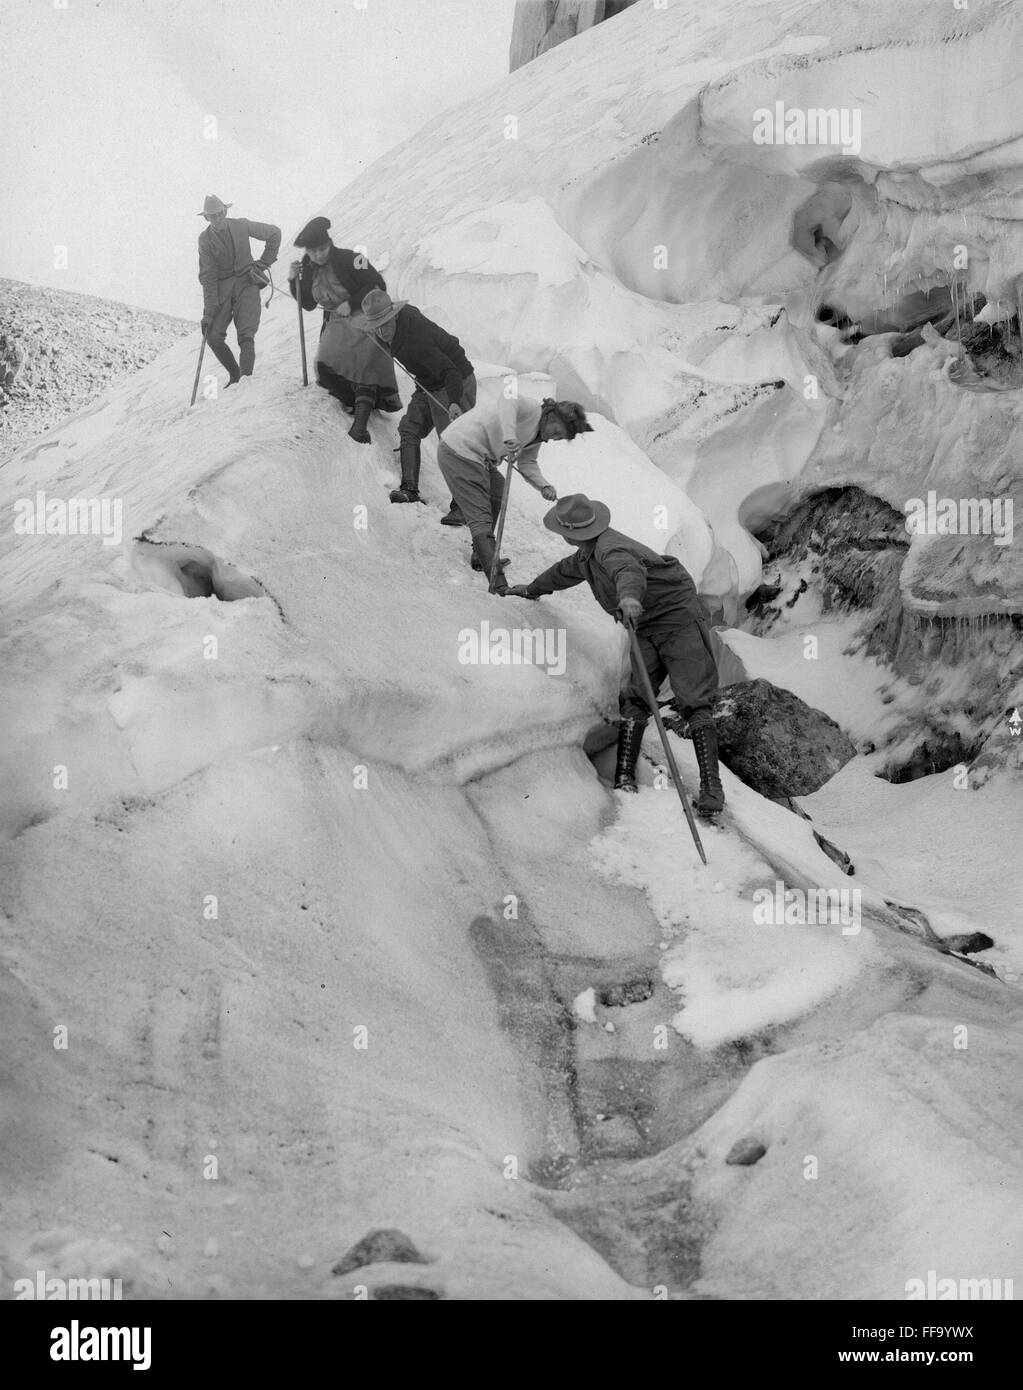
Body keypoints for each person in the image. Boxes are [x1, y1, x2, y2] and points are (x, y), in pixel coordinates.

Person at [505, 493, 724, 817]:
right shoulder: (587, 554)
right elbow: (563, 572)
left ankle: (712, 792)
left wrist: (630, 599)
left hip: (677, 619)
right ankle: (624, 776)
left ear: (570, 532)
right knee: (636, 696)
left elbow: (628, 571)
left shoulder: (611, 548)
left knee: (694, 700)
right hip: (646, 626)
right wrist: (532, 589)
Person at [438, 396, 591, 591]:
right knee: (480, 517)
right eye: (557, 432)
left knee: (497, 491)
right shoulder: (531, 409)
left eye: (559, 438)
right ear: (552, 417)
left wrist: (543, 486)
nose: (554, 438)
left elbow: (527, 463)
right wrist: (510, 436)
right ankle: (498, 583)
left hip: (478, 455)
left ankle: (481, 556)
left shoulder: (537, 435)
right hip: (459, 449)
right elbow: (506, 399)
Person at [352, 288, 474, 519]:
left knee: (453, 442)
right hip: (428, 381)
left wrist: (455, 402)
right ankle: (409, 489)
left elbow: (451, 371)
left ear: (395, 316)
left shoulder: (417, 341)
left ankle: (463, 506)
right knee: (409, 428)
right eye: (376, 325)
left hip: (456, 381)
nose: (381, 331)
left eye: (385, 324)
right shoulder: (391, 328)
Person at [287, 216, 400, 444]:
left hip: (363, 316)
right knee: (326, 365)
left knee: (364, 361)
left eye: (322, 248)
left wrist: (353, 301)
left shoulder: (352, 259)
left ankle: (360, 423)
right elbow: (307, 304)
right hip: (334, 323)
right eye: (314, 251)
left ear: (330, 243)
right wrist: (293, 280)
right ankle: (355, 400)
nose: (319, 255)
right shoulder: (307, 270)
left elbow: (377, 283)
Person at [197, 194, 281, 385]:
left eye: (219, 214)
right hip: (222, 291)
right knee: (212, 335)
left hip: (247, 283)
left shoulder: (242, 225)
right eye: (212, 216)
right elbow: (208, 277)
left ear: (225, 211)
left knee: (246, 334)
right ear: (206, 218)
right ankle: (235, 375)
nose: (217, 219)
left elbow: (274, 233)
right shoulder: (204, 240)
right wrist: (209, 312)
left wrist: (263, 263)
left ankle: (245, 380)